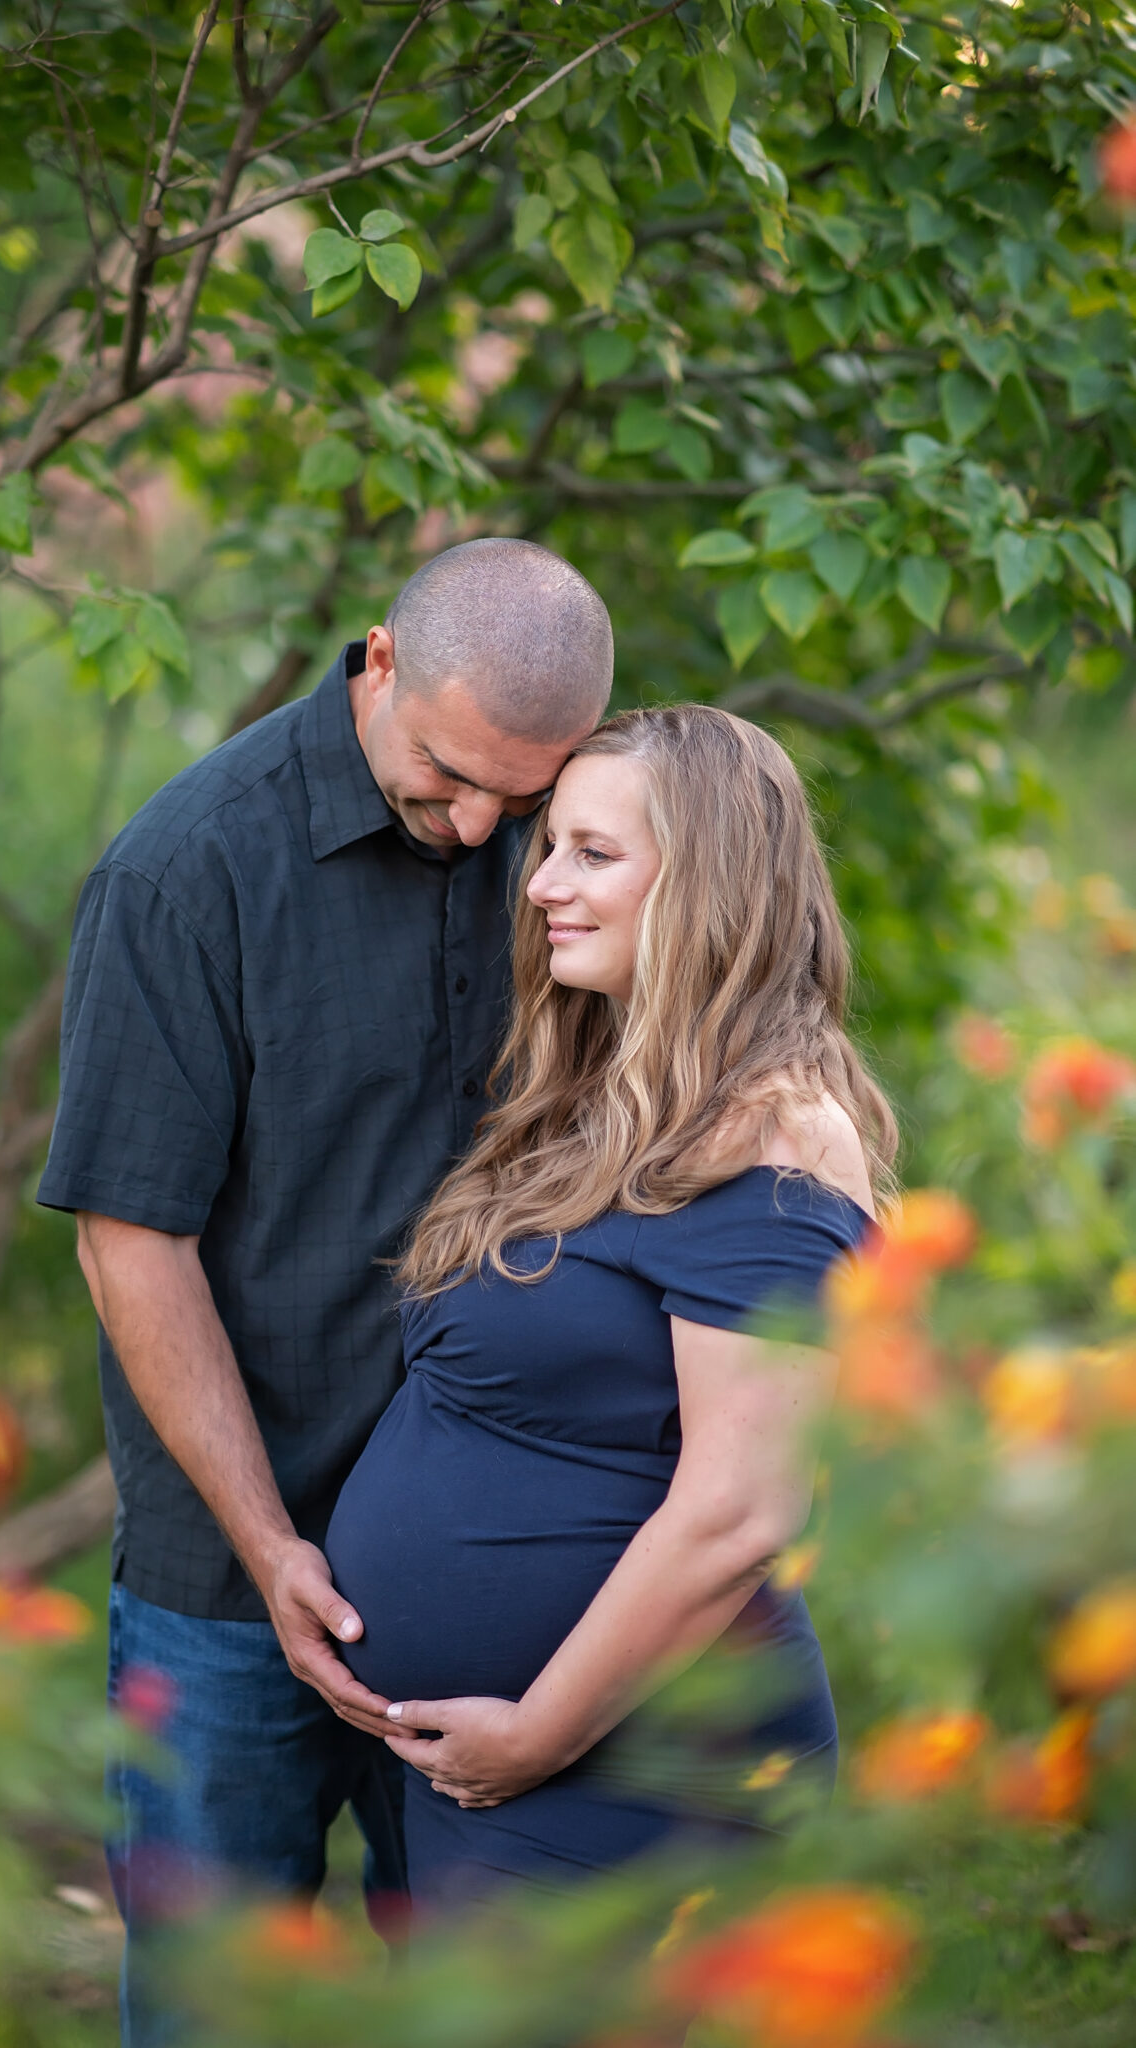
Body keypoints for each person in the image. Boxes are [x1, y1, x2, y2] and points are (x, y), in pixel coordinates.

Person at [35, 539, 613, 2033]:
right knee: (215, 2013)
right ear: (375, 661)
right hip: (233, 1589)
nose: (483, 825)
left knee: (504, 2010)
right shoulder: (184, 874)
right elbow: (130, 1242)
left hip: (514, 1575)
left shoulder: (575, 860)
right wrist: (268, 1541)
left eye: (525, 793)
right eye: (445, 775)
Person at [325, 703, 896, 1908]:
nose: (540, 886)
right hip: (512, 1763)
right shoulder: (599, 1098)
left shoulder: (772, 1130)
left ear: (706, 884)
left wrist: (539, 1730)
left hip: (633, 1758)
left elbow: (743, 1509)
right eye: (551, 848)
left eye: (593, 853)